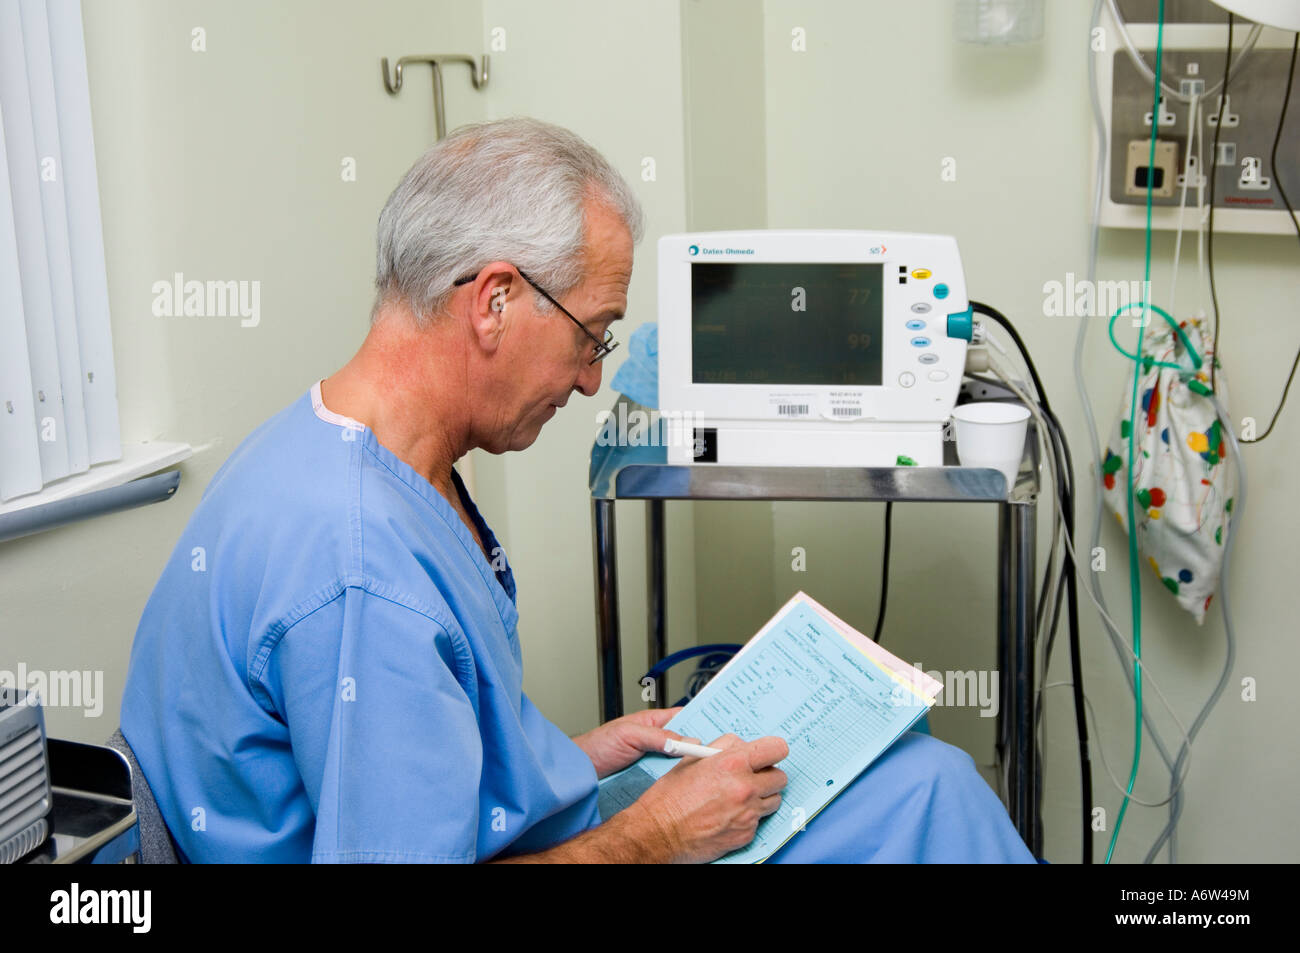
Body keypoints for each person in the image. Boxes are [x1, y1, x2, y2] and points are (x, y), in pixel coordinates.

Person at [119, 117, 1034, 863]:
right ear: (495, 301)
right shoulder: (362, 571)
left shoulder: (338, 451)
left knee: (921, 779)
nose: (595, 379)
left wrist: (580, 759)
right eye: (593, 334)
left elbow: (420, 760)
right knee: (929, 808)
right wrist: (650, 836)